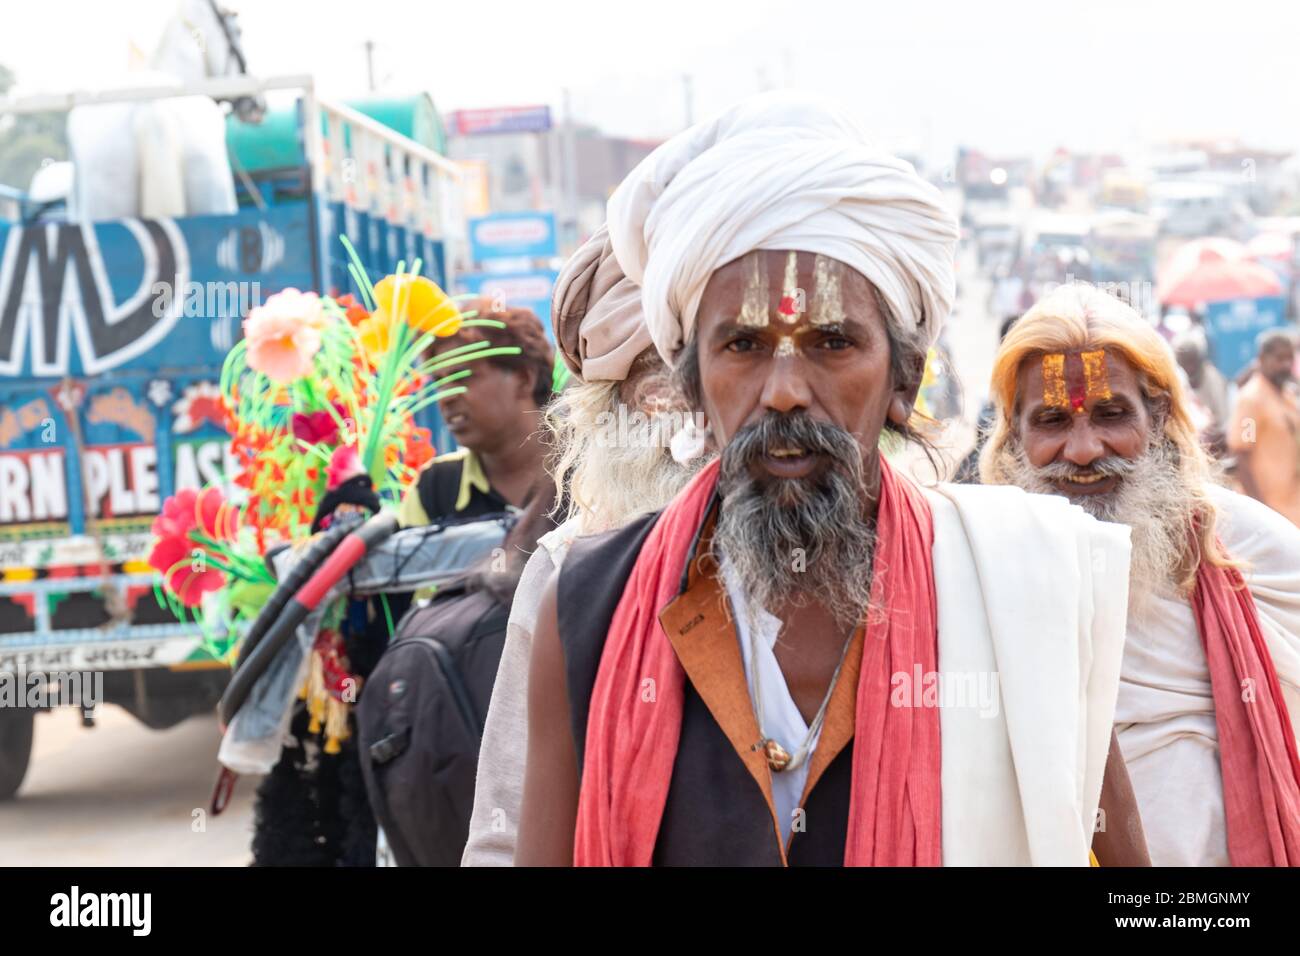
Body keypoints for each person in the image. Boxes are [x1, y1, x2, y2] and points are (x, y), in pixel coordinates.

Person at [514, 92, 1144, 867]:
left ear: (904, 381)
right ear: (691, 384)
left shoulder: (1034, 583)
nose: (783, 389)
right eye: (743, 344)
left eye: (833, 342)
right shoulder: (586, 611)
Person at [981, 284, 1300, 866]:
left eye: (1111, 415)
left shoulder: (1265, 557)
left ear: (1157, 418)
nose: (1082, 450)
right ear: (1014, 437)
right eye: (1052, 420)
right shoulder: (972, 575)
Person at [461, 226, 704, 866]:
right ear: (605, 405)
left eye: (696, 376)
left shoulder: (862, 556)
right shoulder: (567, 572)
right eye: (651, 381)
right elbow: (502, 829)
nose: (679, 412)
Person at [397, 299, 553, 527]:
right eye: (440, 381)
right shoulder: (434, 488)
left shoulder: (590, 468)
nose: (446, 396)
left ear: (524, 378)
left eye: (462, 377)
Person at [1228, 328, 1300, 527]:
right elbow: (1242, 452)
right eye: (1279, 359)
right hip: (1271, 511)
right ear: (1262, 358)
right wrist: (1259, 509)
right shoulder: (1252, 400)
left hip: (1293, 506)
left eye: (1289, 358)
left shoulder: (1287, 396)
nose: (1285, 365)